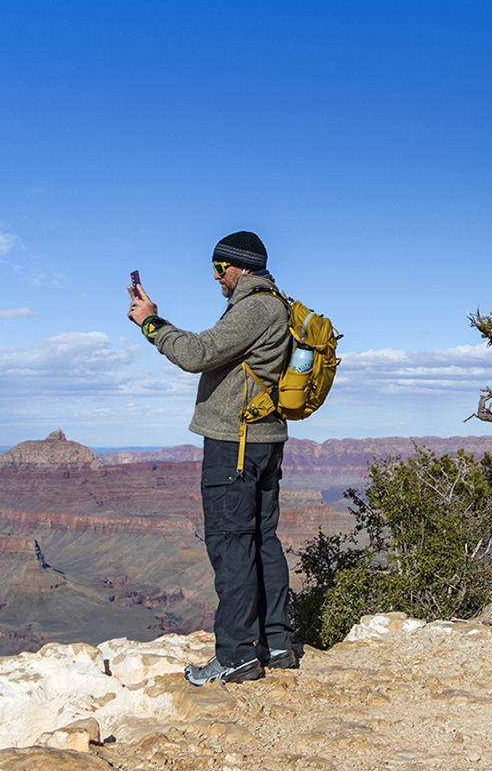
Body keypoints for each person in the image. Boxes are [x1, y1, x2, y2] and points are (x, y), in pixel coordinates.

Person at [127, 231, 297, 685]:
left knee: (231, 545)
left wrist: (152, 324)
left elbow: (197, 354)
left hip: (235, 444)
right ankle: (275, 643)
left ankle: (237, 655)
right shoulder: (276, 304)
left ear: (238, 268)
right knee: (262, 541)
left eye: (219, 269)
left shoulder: (256, 307)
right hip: (263, 440)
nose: (216, 278)